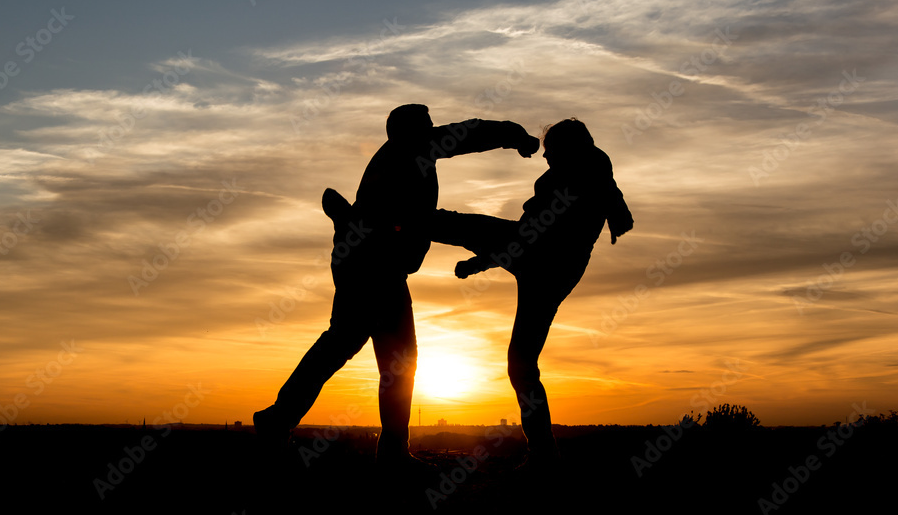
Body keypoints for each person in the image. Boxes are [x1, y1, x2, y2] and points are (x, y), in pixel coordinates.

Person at [254, 104, 540, 466]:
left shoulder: (397, 158)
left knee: (350, 349)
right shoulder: (410, 153)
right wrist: (514, 135)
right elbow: (470, 133)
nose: (435, 131)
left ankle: (282, 421)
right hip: (373, 267)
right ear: (410, 131)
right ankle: (386, 450)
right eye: (427, 126)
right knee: (391, 358)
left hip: (367, 265)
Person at [428, 118, 634, 468]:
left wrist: (480, 262)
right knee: (521, 364)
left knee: (461, 224)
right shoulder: (591, 173)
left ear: (568, 149)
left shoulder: (581, 174)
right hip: (551, 269)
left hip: (543, 261)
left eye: (550, 150)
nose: (545, 157)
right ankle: (543, 452)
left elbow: (530, 238)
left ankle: (382, 220)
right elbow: (532, 236)